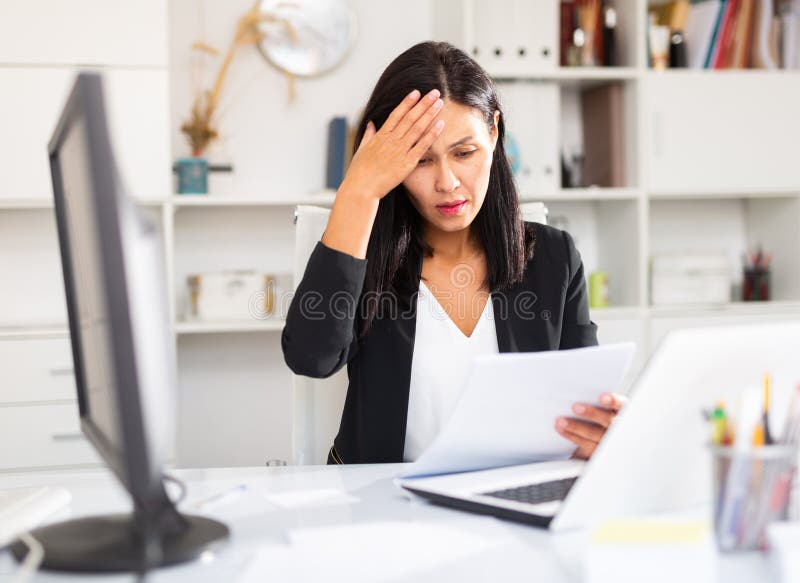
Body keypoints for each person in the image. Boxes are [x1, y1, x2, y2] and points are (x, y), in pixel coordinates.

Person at [282, 41, 624, 465]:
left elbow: (581, 404)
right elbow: (311, 358)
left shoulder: (554, 256)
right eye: (421, 161)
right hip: (382, 506)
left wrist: (600, 429)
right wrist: (359, 191)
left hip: (505, 498)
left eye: (464, 153)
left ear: (495, 133)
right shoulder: (365, 254)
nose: (447, 183)